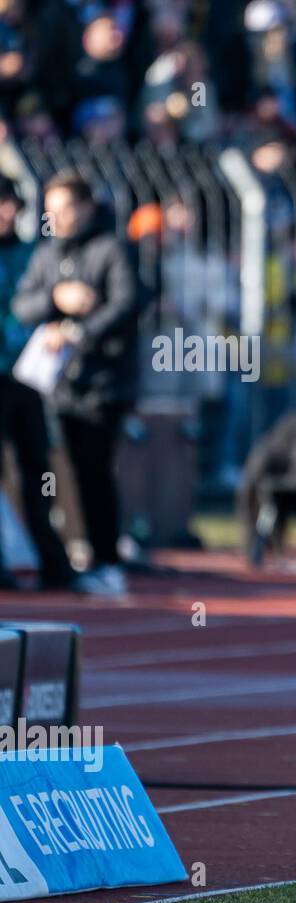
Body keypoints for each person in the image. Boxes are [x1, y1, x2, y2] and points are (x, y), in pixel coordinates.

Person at [12, 170, 138, 596]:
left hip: (104, 384)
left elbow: (128, 302)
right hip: (57, 384)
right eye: (52, 213)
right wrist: (55, 301)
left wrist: (80, 331)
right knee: (55, 472)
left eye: (66, 210)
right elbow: (23, 304)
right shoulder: (47, 255)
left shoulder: (112, 249)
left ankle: (107, 557)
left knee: (94, 470)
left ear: (86, 207)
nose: (59, 220)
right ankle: (67, 554)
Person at [0, 174, 79, 592]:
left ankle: (52, 560)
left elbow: (41, 302)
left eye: (10, 203)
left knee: (38, 471)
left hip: (28, 376)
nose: (6, 211)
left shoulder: (35, 253)